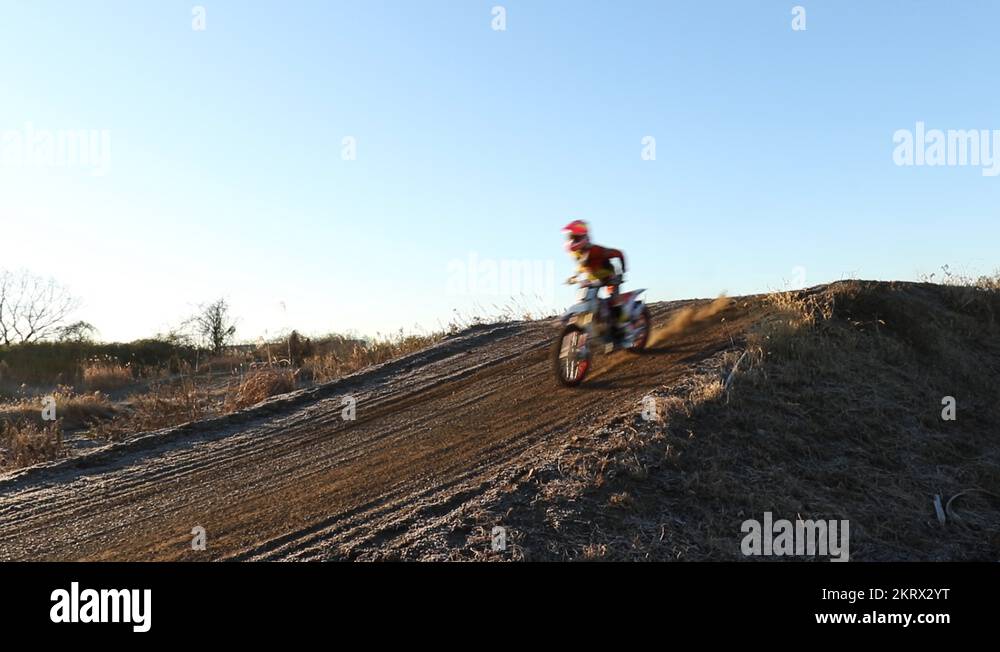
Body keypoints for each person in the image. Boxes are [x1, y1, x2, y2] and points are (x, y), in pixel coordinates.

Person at [562, 219, 627, 345]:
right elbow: (583, 266)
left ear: (583, 237)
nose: (571, 241)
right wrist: (574, 277)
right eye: (570, 238)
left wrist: (623, 270)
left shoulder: (596, 250)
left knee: (614, 301)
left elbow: (619, 253)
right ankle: (601, 327)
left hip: (609, 276)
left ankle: (623, 327)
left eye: (574, 238)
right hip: (594, 279)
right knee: (590, 300)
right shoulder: (575, 253)